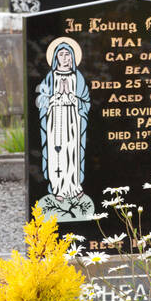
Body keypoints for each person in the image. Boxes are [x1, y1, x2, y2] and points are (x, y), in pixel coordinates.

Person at [36, 39, 93, 221]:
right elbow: (40, 101)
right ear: (55, 58)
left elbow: (86, 102)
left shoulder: (78, 77)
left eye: (68, 54)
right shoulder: (50, 77)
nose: (65, 57)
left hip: (73, 121)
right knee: (56, 154)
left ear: (73, 57)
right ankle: (58, 188)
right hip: (55, 120)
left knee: (72, 154)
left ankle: (73, 187)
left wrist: (72, 97)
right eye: (61, 54)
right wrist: (55, 97)